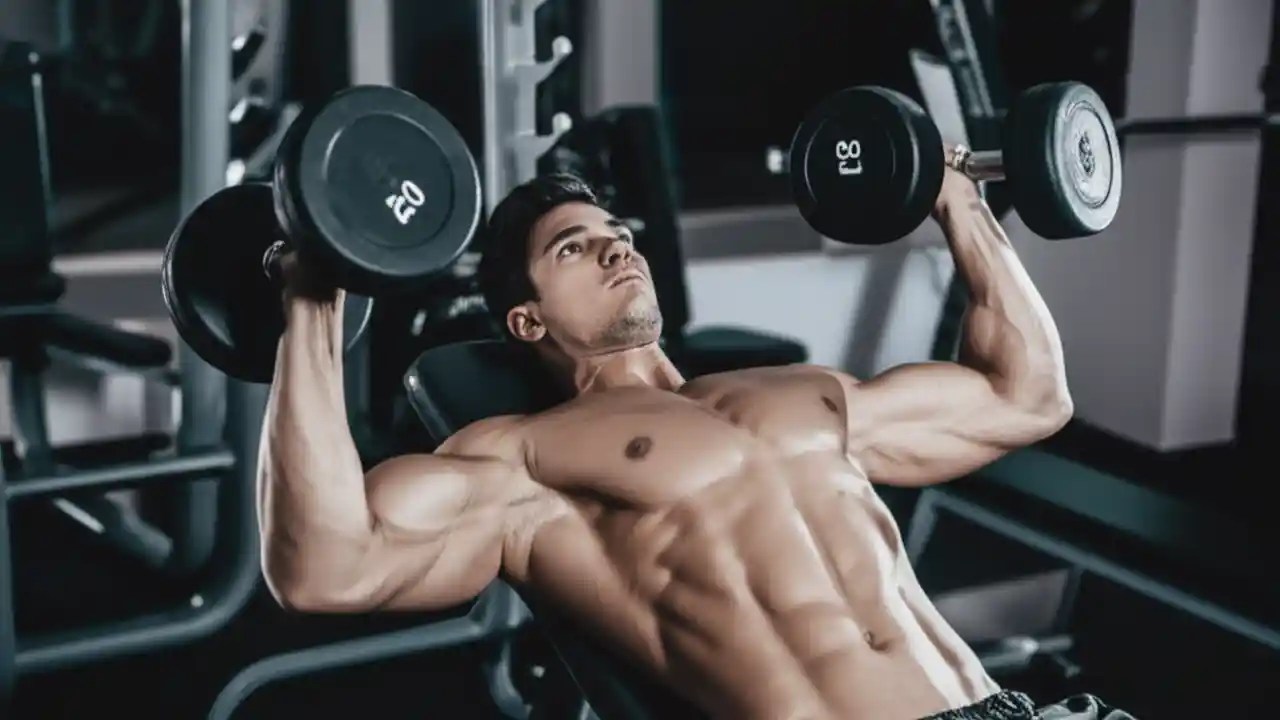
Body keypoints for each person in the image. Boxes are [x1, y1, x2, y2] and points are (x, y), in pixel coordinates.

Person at [257, 147, 1136, 720]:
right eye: (573, 248)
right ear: (525, 323)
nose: (617, 250)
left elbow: (1026, 396)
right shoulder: (527, 456)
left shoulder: (804, 393)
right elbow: (328, 565)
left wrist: (955, 201)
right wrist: (312, 305)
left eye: (616, 233)